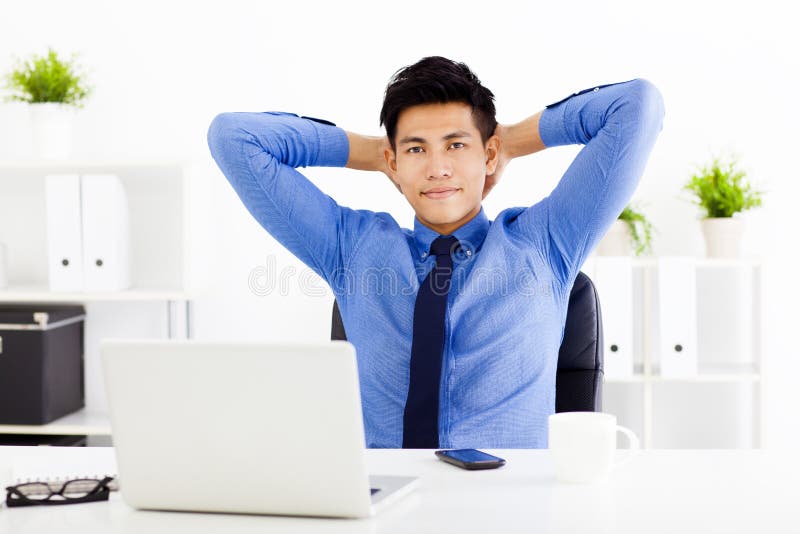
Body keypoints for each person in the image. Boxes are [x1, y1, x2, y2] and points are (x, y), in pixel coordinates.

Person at [208, 56, 664, 449]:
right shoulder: (353, 248)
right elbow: (234, 137)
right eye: (417, 149)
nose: (438, 167)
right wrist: (374, 151)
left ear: (487, 155)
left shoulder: (546, 243)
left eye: (456, 145)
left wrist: (512, 142)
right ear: (394, 163)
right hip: (387, 504)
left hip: (513, 505)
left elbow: (637, 106)